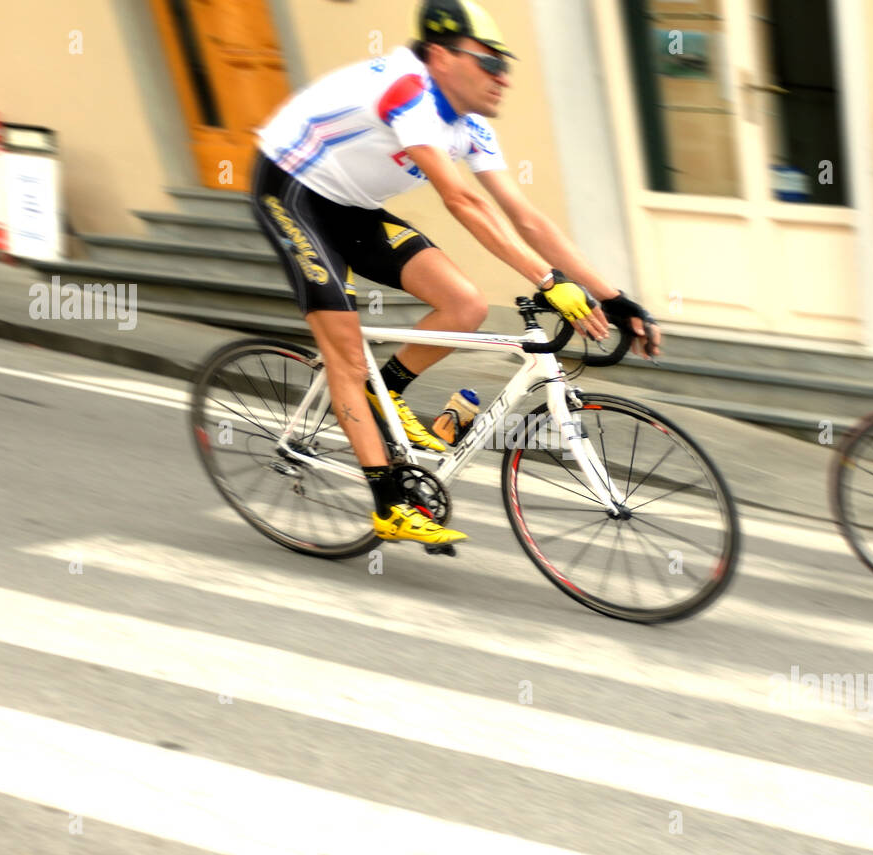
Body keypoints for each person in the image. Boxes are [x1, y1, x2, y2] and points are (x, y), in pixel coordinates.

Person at [250, 0, 660, 549]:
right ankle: (389, 504)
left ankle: (383, 391)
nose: (503, 78)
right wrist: (548, 281)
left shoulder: (469, 124)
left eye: (506, 65)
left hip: (353, 209)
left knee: (465, 305)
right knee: (345, 348)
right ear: (440, 56)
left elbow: (526, 218)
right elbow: (462, 200)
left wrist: (613, 298)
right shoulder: (408, 90)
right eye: (490, 62)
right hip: (292, 192)